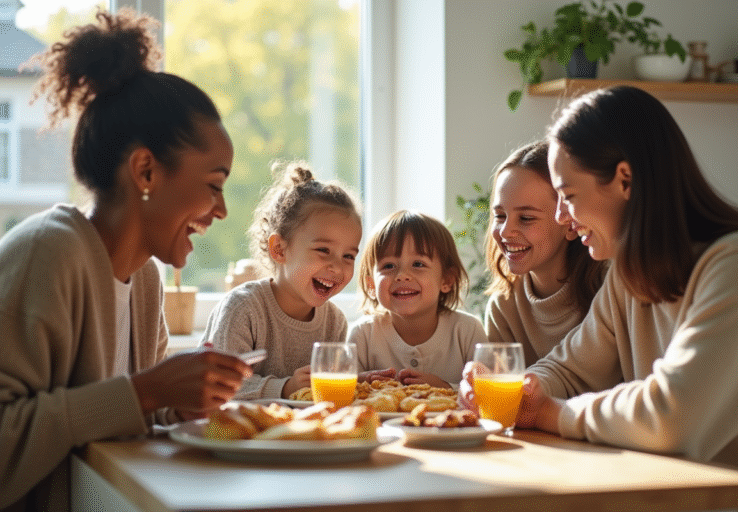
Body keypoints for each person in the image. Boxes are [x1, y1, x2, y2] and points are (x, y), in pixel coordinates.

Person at [0, 9, 252, 511]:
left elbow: (118, 420)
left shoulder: (144, 279)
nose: (221, 211)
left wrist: (172, 405)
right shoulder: (48, 253)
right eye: (214, 185)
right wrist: (144, 392)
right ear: (145, 170)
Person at [463, 85, 738, 474]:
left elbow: (671, 418)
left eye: (568, 196)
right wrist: (525, 390)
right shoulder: (629, 274)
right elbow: (570, 369)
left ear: (625, 180)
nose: (561, 218)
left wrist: (550, 414)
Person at [200, 161, 362, 400]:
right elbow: (218, 384)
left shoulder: (334, 322)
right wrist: (285, 388)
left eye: (348, 256)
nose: (337, 267)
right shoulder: (243, 308)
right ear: (279, 249)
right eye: (323, 250)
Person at [483, 140, 606, 366]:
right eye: (500, 216)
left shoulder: (608, 289)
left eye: (526, 218)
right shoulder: (504, 306)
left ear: (569, 222)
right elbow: (499, 392)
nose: (506, 231)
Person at [348, 210, 488, 389]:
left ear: (446, 280)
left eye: (418, 264)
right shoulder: (362, 334)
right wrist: (360, 383)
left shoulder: (468, 331)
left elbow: (486, 392)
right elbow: (342, 398)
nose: (402, 275)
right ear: (371, 285)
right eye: (389, 266)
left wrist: (446, 388)